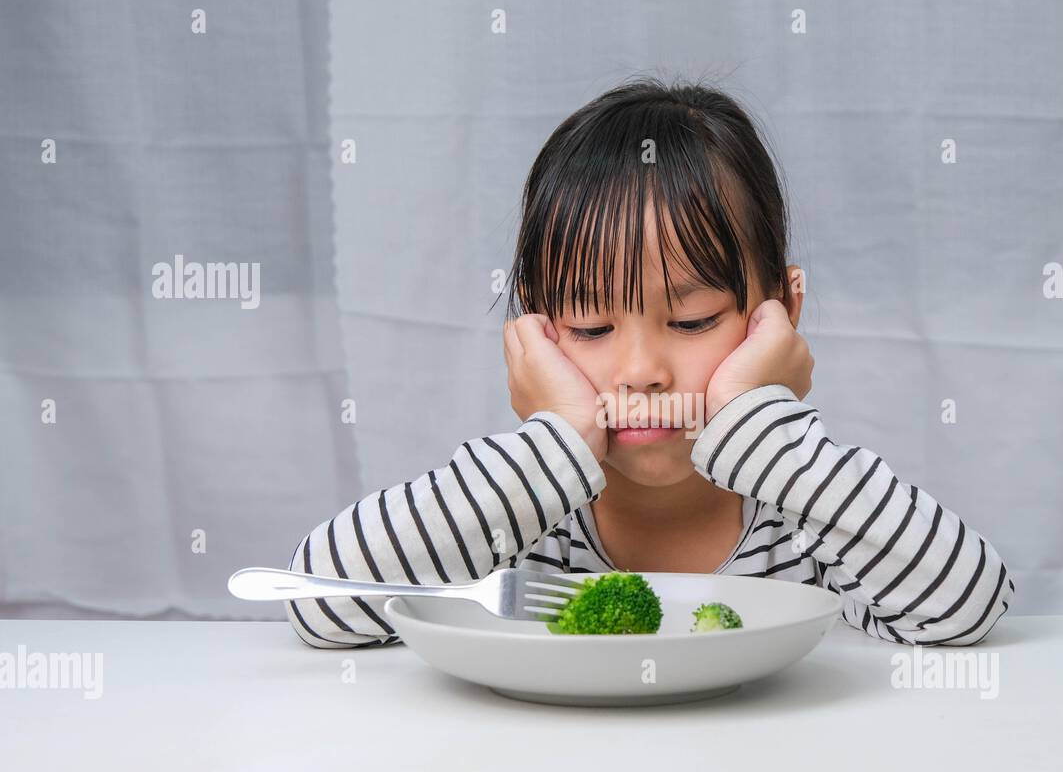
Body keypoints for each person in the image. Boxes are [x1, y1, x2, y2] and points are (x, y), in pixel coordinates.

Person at [284, 76, 1015, 649]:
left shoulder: (810, 511)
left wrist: (764, 427)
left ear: (782, 313)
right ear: (536, 332)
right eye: (592, 325)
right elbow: (316, 599)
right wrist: (556, 442)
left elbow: (967, 607)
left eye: (693, 320)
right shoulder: (517, 514)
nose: (641, 370)